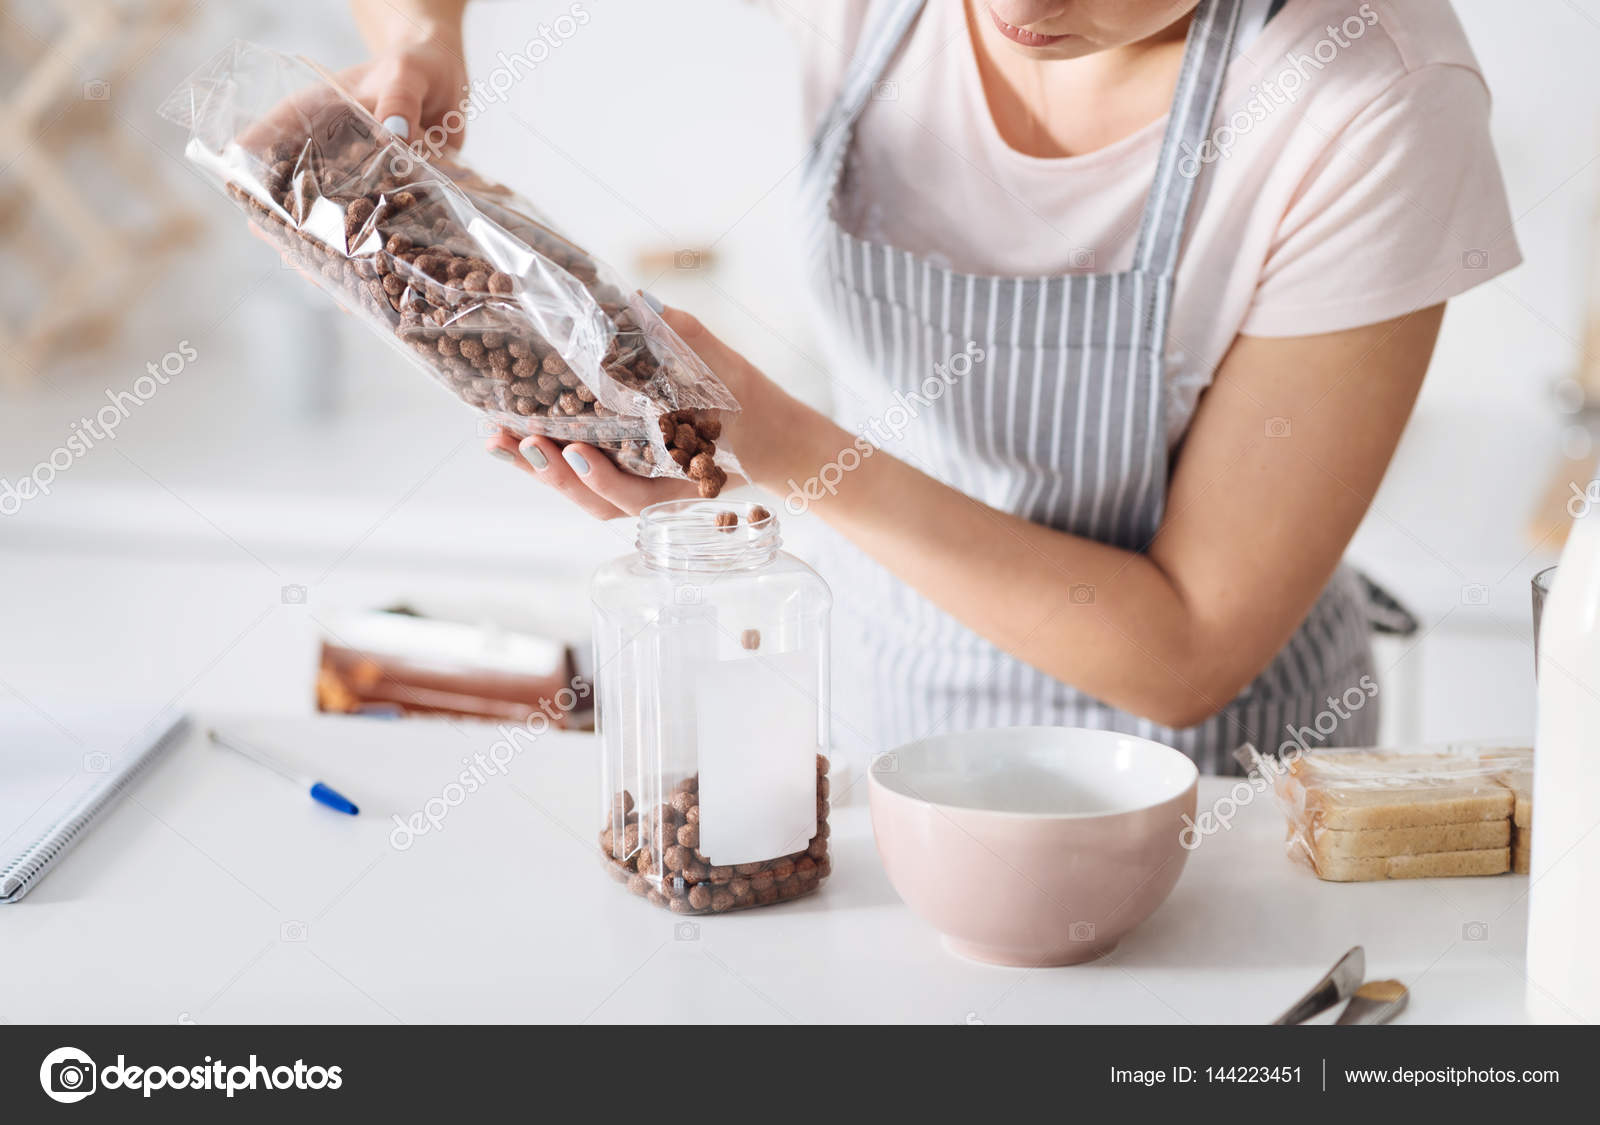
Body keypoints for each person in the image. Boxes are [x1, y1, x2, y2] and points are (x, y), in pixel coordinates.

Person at [348, 0, 1520, 772]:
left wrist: (780, 446)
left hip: (1202, 806)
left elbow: (1186, 648)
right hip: (878, 731)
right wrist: (417, 40)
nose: (1021, 8)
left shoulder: (1367, 97)